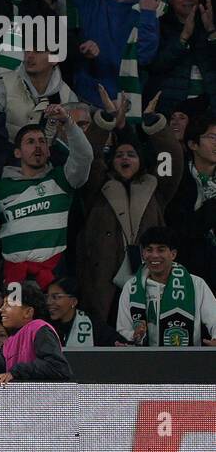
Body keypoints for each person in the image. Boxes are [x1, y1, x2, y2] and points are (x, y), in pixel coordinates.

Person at [77, 91, 183, 327]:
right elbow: (88, 155)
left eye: (132, 154)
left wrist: (154, 126)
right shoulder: (97, 187)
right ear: (112, 160)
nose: (125, 158)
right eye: (120, 155)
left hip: (149, 279)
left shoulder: (156, 188)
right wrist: (104, 121)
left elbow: (171, 157)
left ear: (141, 160)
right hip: (104, 283)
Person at [0, 107, 92, 313]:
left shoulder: (61, 179)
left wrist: (68, 123)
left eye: (42, 142)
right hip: (13, 277)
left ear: (49, 150)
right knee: (16, 337)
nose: (37, 146)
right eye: (30, 142)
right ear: (17, 152)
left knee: (52, 336)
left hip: (54, 276)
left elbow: (84, 157)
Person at [115, 226, 216, 347]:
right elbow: (123, 329)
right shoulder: (131, 287)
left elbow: (214, 317)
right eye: (149, 250)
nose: (154, 255)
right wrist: (133, 336)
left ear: (173, 254)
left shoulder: (196, 284)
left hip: (187, 361)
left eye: (161, 250)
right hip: (143, 361)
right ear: (143, 254)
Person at [0, 281, 72, 384]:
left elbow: (58, 367)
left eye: (9, 304)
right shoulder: (10, 341)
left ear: (28, 312)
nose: (1, 309)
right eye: (3, 304)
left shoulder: (40, 328)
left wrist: (16, 373)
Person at [167, 112, 216, 286]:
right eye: (212, 137)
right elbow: (181, 230)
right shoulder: (177, 181)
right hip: (188, 274)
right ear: (193, 144)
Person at [46, 277, 99, 348]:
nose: (48, 302)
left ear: (73, 301)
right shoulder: (43, 326)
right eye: (47, 297)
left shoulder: (93, 325)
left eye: (55, 297)